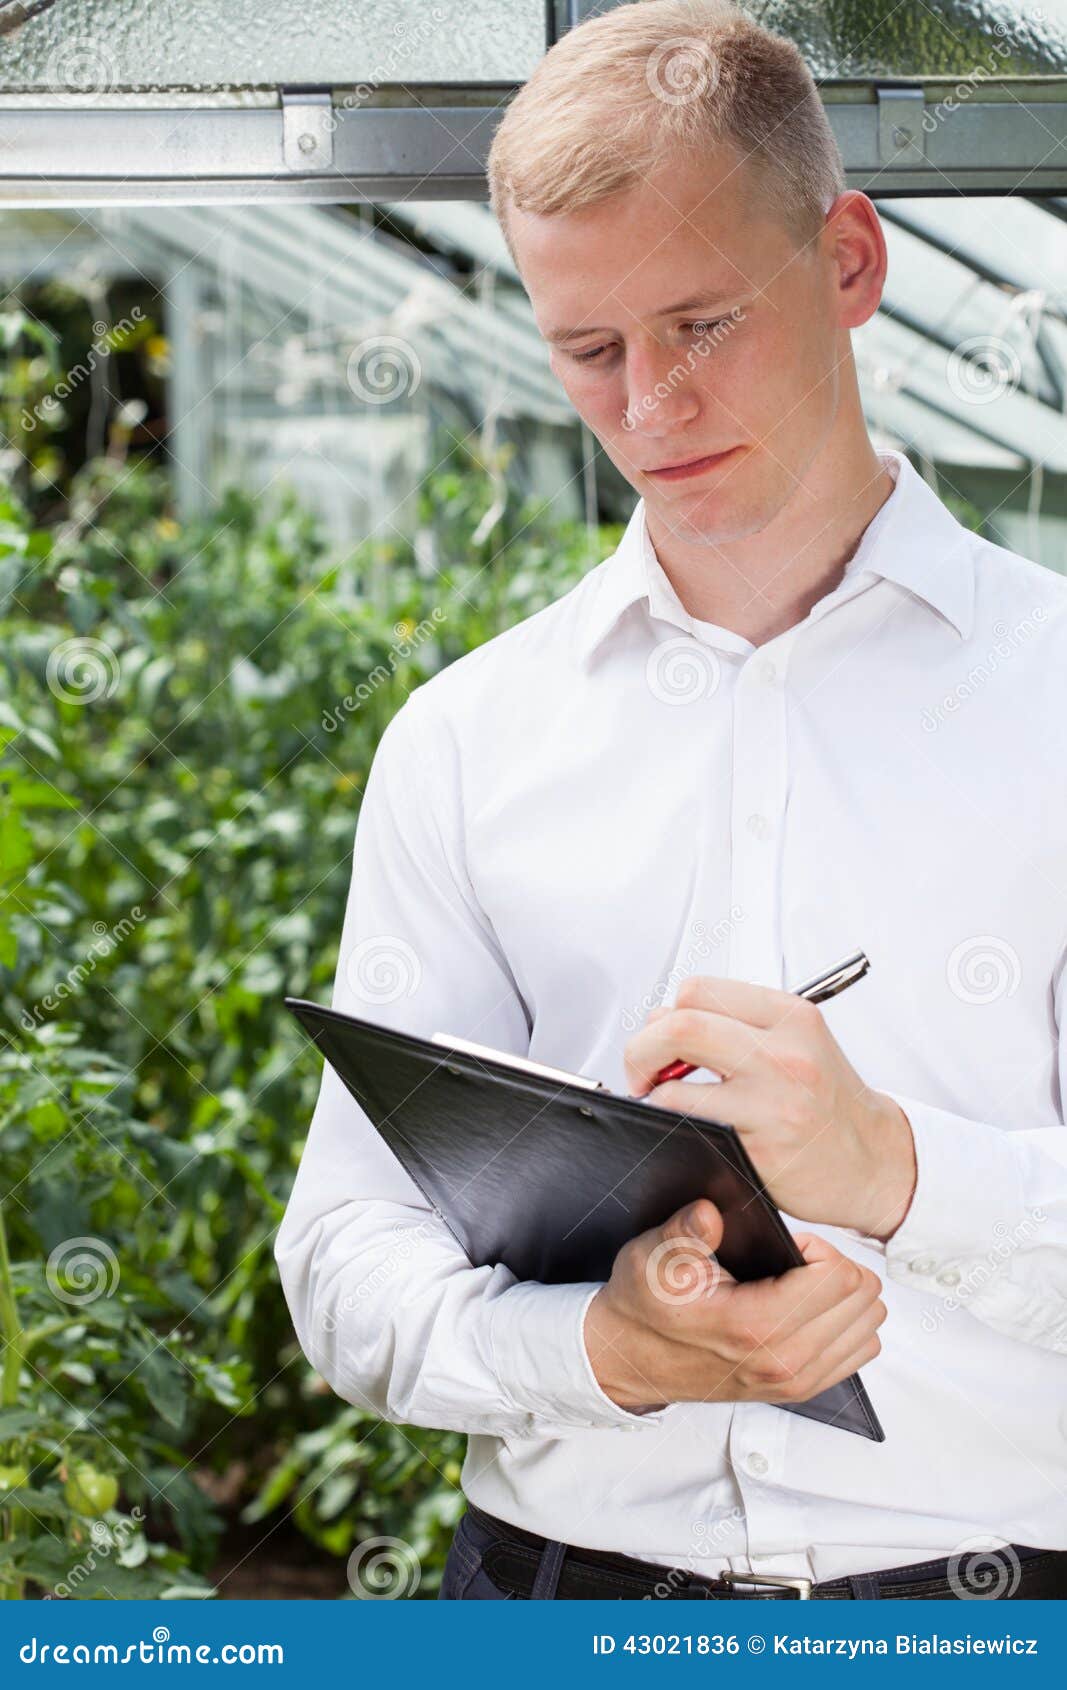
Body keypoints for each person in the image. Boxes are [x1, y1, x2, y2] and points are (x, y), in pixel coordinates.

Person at [274, 0, 1067, 1600]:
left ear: (850, 261)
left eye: (700, 323)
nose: (649, 407)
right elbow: (345, 1257)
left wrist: (895, 1164)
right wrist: (603, 1345)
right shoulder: (465, 741)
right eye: (588, 347)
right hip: (559, 1595)